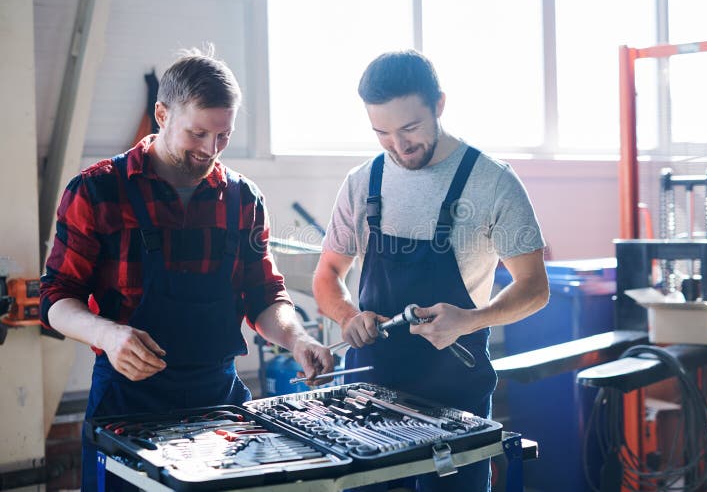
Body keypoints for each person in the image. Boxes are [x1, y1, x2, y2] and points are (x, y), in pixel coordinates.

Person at [40, 46, 334, 491]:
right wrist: (107, 334)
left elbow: (265, 295)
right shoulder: (97, 191)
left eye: (223, 137)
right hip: (127, 401)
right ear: (161, 113)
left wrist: (297, 337)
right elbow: (56, 298)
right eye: (197, 134)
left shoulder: (242, 199)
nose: (209, 150)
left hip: (219, 401)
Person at [313, 50, 550, 491]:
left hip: (454, 397)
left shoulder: (493, 182)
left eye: (410, 129)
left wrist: (472, 320)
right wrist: (349, 318)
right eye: (381, 132)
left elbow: (535, 288)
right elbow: (328, 272)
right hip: (370, 396)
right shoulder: (363, 182)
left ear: (438, 105)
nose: (398, 146)